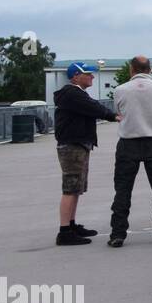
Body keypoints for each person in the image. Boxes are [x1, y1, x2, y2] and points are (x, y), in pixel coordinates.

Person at [52, 62, 122, 245]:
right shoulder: (72, 94)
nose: (92, 77)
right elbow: (94, 108)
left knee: (76, 188)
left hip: (78, 145)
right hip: (72, 146)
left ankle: (71, 224)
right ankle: (64, 231)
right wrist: (114, 116)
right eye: (88, 74)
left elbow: (91, 106)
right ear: (75, 76)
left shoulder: (76, 94)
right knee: (70, 188)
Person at [109, 56, 152, 247]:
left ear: (132, 69)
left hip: (128, 143)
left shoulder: (120, 90)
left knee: (122, 189)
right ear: (149, 69)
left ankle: (117, 234)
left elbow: (119, 113)